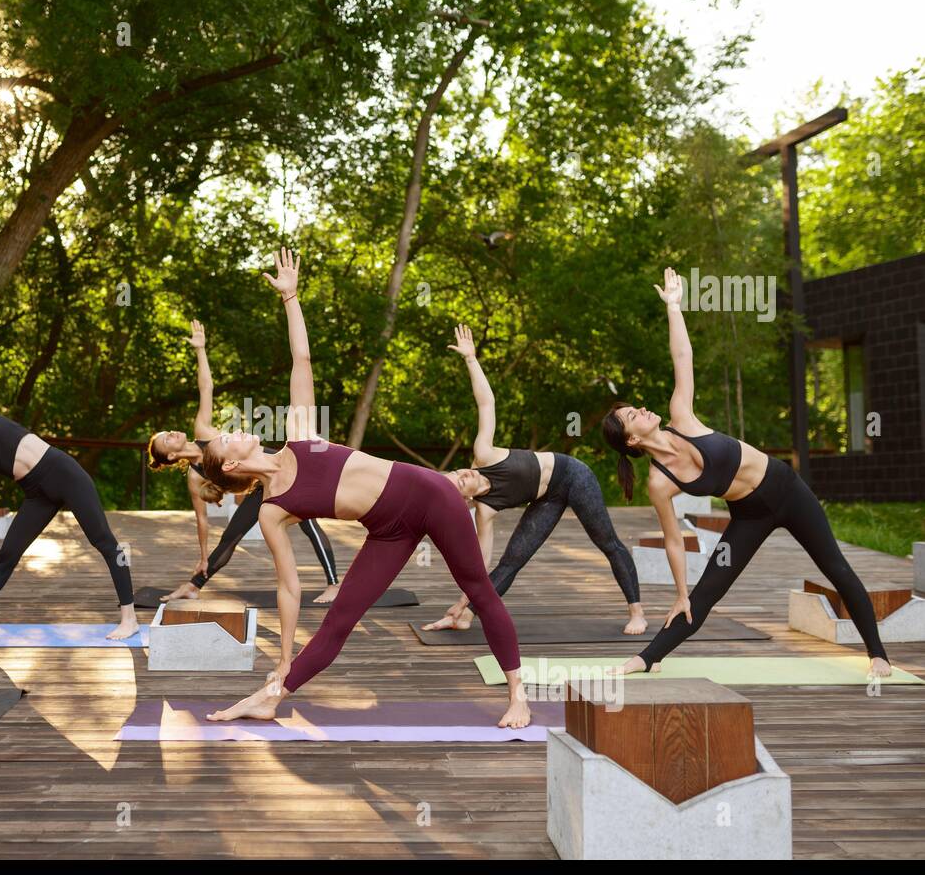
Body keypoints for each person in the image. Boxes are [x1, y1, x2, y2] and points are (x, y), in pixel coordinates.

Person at [200, 248, 528, 726]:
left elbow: (302, 358)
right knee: (339, 620)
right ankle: (271, 695)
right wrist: (284, 655)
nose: (236, 428)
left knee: (478, 588)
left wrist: (291, 298)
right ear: (230, 463)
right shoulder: (272, 509)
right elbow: (288, 588)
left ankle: (517, 694)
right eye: (227, 437)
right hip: (388, 532)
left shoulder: (301, 436)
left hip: (431, 495)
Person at [601, 267, 892, 677]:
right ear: (631, 440)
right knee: (704, 594)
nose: (642, 409)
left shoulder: (680, 416)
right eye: (633, 414)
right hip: (750, 514)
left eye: (637, 406)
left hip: (787, 491)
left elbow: (682, 357)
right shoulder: (658, 482)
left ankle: (877, 654)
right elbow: (673, 541)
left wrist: (673, 306)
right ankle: (645, 659)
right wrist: (681, 592)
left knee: (836, 568)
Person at [0, 276, 138, 639]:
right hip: (38, 492)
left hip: (63, 472)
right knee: (6, 556)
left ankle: (129, 617)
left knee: (103, 541)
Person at [424, 324, 645, 635]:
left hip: (573, 475)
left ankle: (637, 612)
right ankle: (466, 616)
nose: (465, 472)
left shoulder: (484, 454)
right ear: (463, 499)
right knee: (512, 560)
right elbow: (480, 566)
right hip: (547, 497)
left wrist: (471, 359)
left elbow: (486, 404)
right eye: (461, 481)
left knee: (606, 542)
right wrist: (460, 603)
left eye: (459, 471)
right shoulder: (484, 512)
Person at [147, 319, 339, 603]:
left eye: (168, 432)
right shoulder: (196, 476)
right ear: (172, 456)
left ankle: (334, 584)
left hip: (274, 464)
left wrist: (200, 350)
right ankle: (193, 585)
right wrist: (202, 556)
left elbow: (206, 388)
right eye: (167, 439)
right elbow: (201, 520)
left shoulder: (204, 432)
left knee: (307, 521)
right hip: (256, 486)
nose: (173, 433)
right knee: (231, 535)